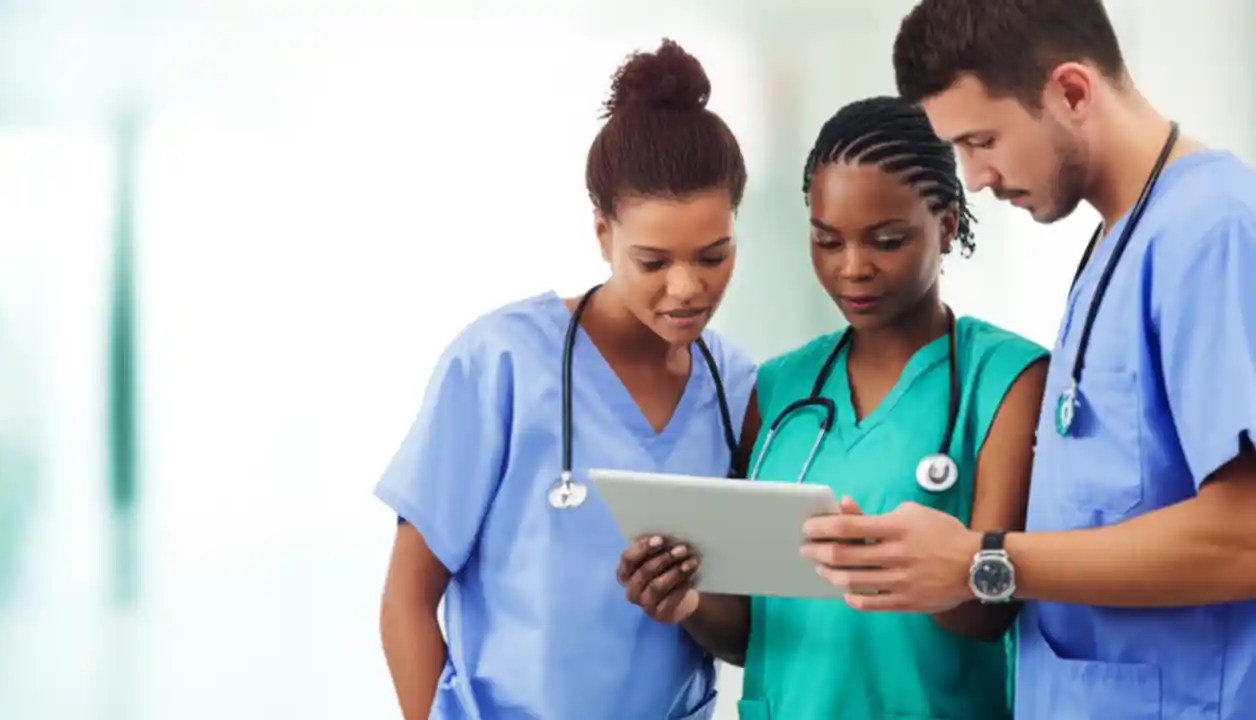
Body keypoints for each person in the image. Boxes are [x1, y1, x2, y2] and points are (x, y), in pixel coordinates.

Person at [801, 1, 1256, 718]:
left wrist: (984, 560)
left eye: (982, 140)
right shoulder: (1118, 243)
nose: (973, 177)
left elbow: (1246, 537)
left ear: (1071, 91)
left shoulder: (1211, 231)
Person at [616, 95, 1049, 719]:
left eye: (888, 241)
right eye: (827, 241)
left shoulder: (1005, 378)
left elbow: (989, 611)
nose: (852, 269)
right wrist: (687, 599)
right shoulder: (778, 389)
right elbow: (755, 631)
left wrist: (899, 564)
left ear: (948, 225)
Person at [373, 39, 758, 720]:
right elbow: (407, 597)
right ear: (603, 234)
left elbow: (746, 635)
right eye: (652, 260)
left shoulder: (736, 389)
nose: (686, 288)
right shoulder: (502, 362)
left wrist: (689, 604)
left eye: (713, 256)